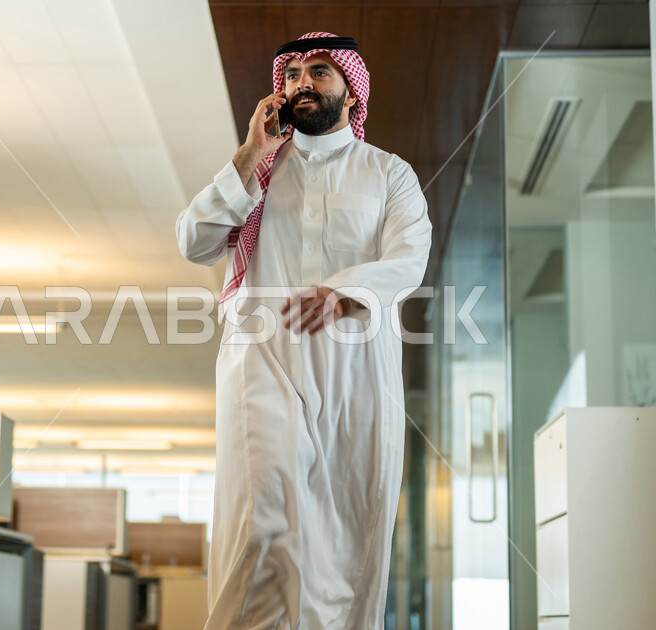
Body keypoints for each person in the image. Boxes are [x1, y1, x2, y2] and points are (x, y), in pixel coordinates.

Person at [176, 31, 432, 630]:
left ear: (351, 88)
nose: (302, 83)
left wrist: (344, 292)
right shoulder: (257, 172)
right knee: (262, 516)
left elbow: (410, 256)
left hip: (358, 368)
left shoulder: (389, 173)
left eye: (319, 71)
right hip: (262, 355)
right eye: (290, 75)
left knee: (350, 532)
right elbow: (194, 242)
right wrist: (248, 154)